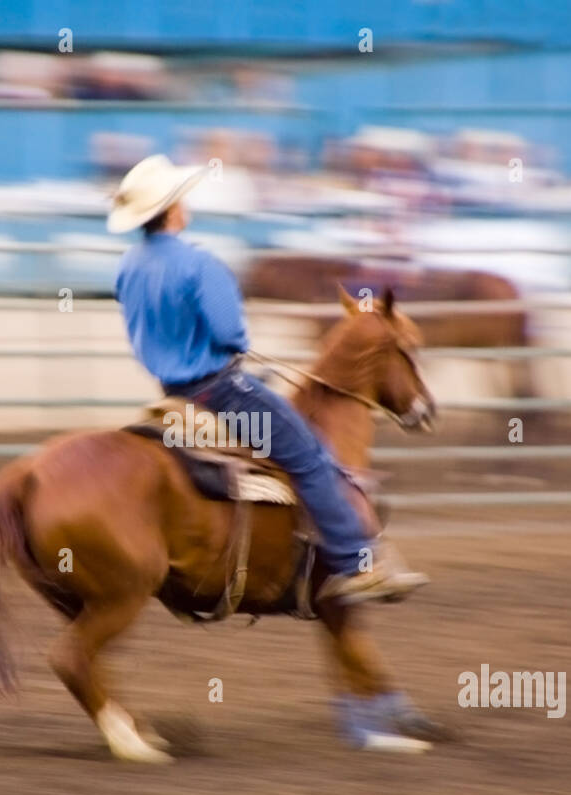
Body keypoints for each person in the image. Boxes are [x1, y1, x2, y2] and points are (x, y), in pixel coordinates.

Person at [109, 154, 428, 606]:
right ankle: (359, 562)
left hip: (172, 394)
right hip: (222, 392)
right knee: (310, 455)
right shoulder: (199, 264)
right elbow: (230, 334)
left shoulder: (127, 267)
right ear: (174, 207)